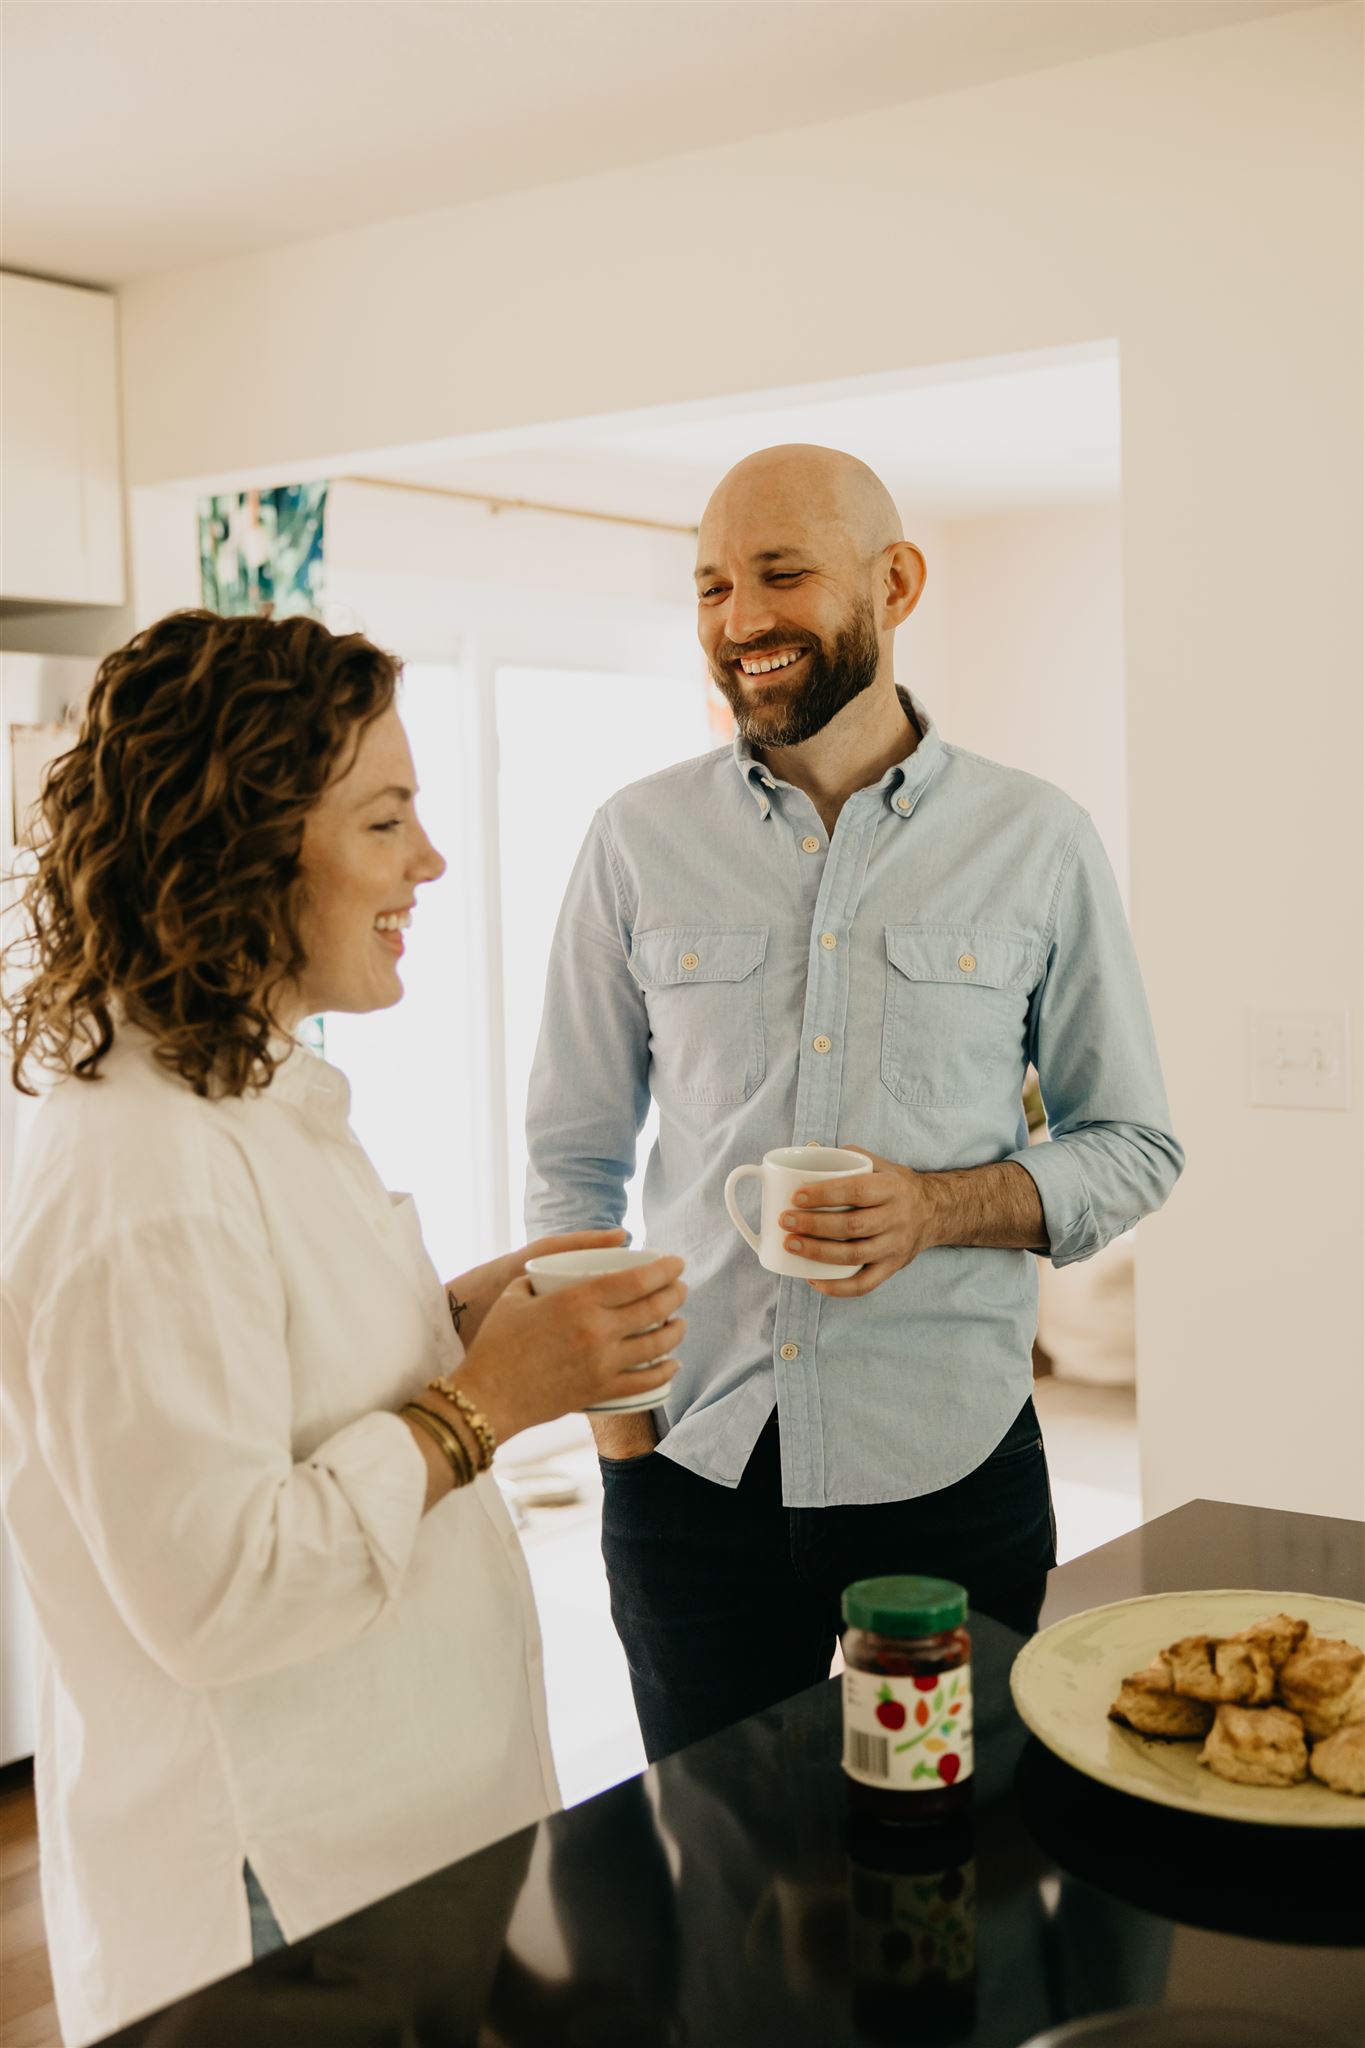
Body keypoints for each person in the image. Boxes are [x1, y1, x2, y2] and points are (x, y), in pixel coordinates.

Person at [0, 609, 687, 2046]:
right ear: (244, 847)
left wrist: (460, 1323)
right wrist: (485, 1403)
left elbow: (273, 1382)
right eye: (386, 821)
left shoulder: (242, 1092)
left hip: (394, 1840)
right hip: (286, 1890)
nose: (429, 862)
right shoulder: (146, 1177)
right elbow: (219, 1593)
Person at [524, 443, 1183, 1762]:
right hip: (689, 1469)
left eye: (779, 575)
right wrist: (616, 1436)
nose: (739, 620)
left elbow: (1134, 1146)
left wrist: (939, 1208)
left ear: (894, 581)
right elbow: (570, 1159)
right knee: (714, 1875)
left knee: (965, 1855)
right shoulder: (633, 840)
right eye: (710, 587)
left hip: (950, 1467)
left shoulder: (1035, 841)